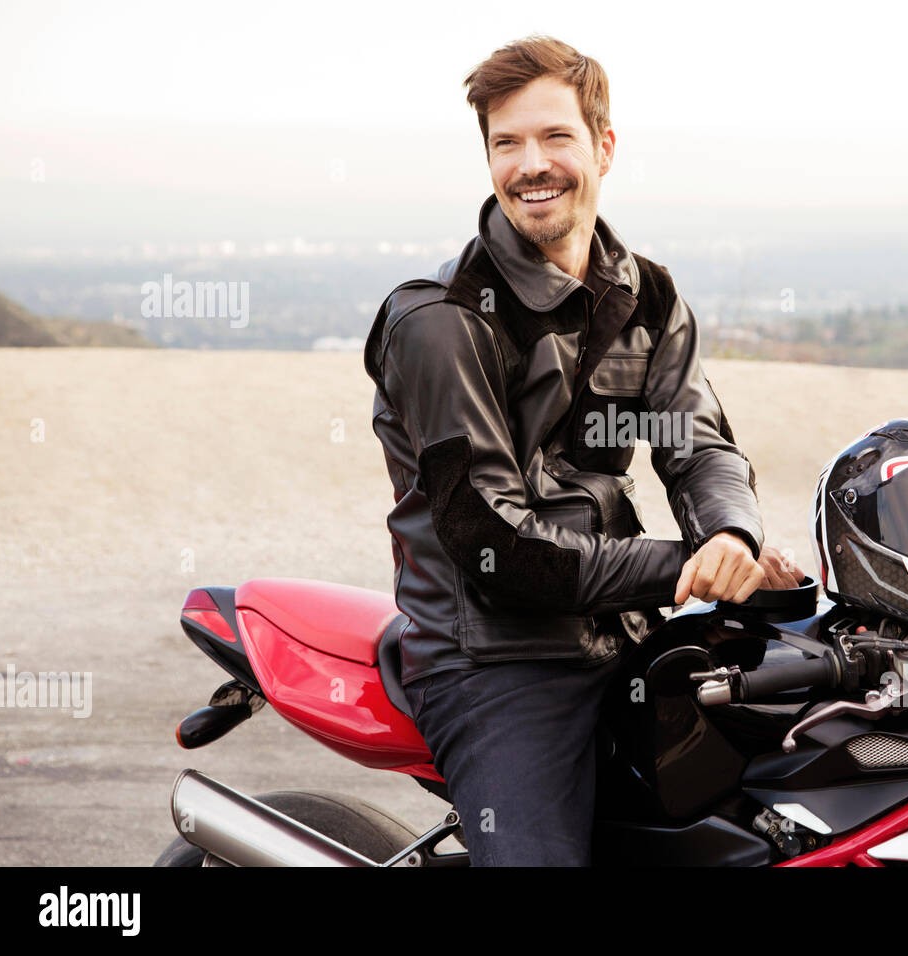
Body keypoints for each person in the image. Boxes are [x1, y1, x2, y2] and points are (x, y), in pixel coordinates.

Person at [363, 35, 801, 866]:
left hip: (621, 630)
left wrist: (730, 536)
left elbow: (696, 442)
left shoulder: (646, 294)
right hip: (495, 660)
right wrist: (684, 567)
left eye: (555, 137)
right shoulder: (443, 321)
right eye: (507, 143)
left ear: (603, 146)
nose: (532, 165)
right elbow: (495, 546)